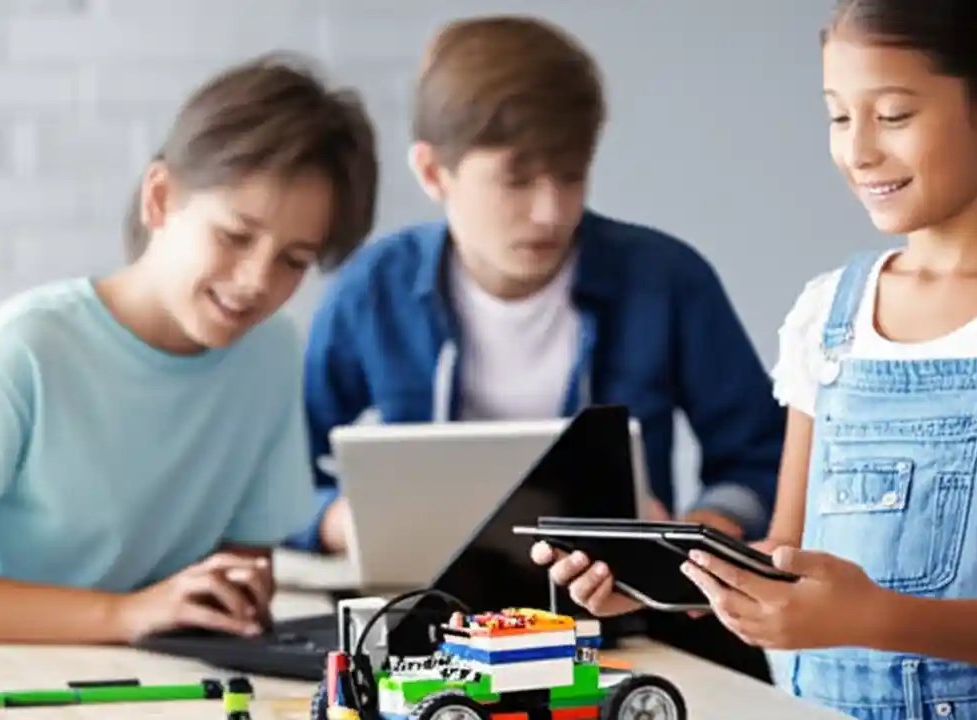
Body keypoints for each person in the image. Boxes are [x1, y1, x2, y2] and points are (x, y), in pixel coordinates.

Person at [535, 1, 977, 717]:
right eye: (839, 116)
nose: (858, 150)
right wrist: (665, 580)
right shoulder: (827, 317)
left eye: (893, 115)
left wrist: (873, 616)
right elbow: (787, 553)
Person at [292, 15, 784, 681]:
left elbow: (762, 457)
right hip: (434, 630)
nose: (551, 210)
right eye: (517, 180)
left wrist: (696, 535)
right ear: (433, 172)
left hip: (631, 630)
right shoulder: (370, 292)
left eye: (571, 176)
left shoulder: (667, 280)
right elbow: (283, 480)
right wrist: (341, 521)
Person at [0, 54, 378, 644]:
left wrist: (234, 590)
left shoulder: (268, 351)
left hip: (159, 672)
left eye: (293, 261)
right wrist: (128, 614)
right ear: (160, 199)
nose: (255, 283)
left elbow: (248, 553)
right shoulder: (24, 349)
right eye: (234, 236)